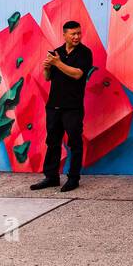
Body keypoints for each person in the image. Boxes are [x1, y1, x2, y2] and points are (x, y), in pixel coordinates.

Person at [31, 20, 92, 193]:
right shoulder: (56, 52)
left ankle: (73, 178)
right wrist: (47, 68)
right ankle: (51, 177)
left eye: (79, 33)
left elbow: (77, 74)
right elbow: (47, 78)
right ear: (64, 34)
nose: (77, 37)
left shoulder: (85, 53)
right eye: (73, 34)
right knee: (52, 142)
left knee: (75, 142)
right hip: (54, 105)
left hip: (73, 106)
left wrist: (57, 63)